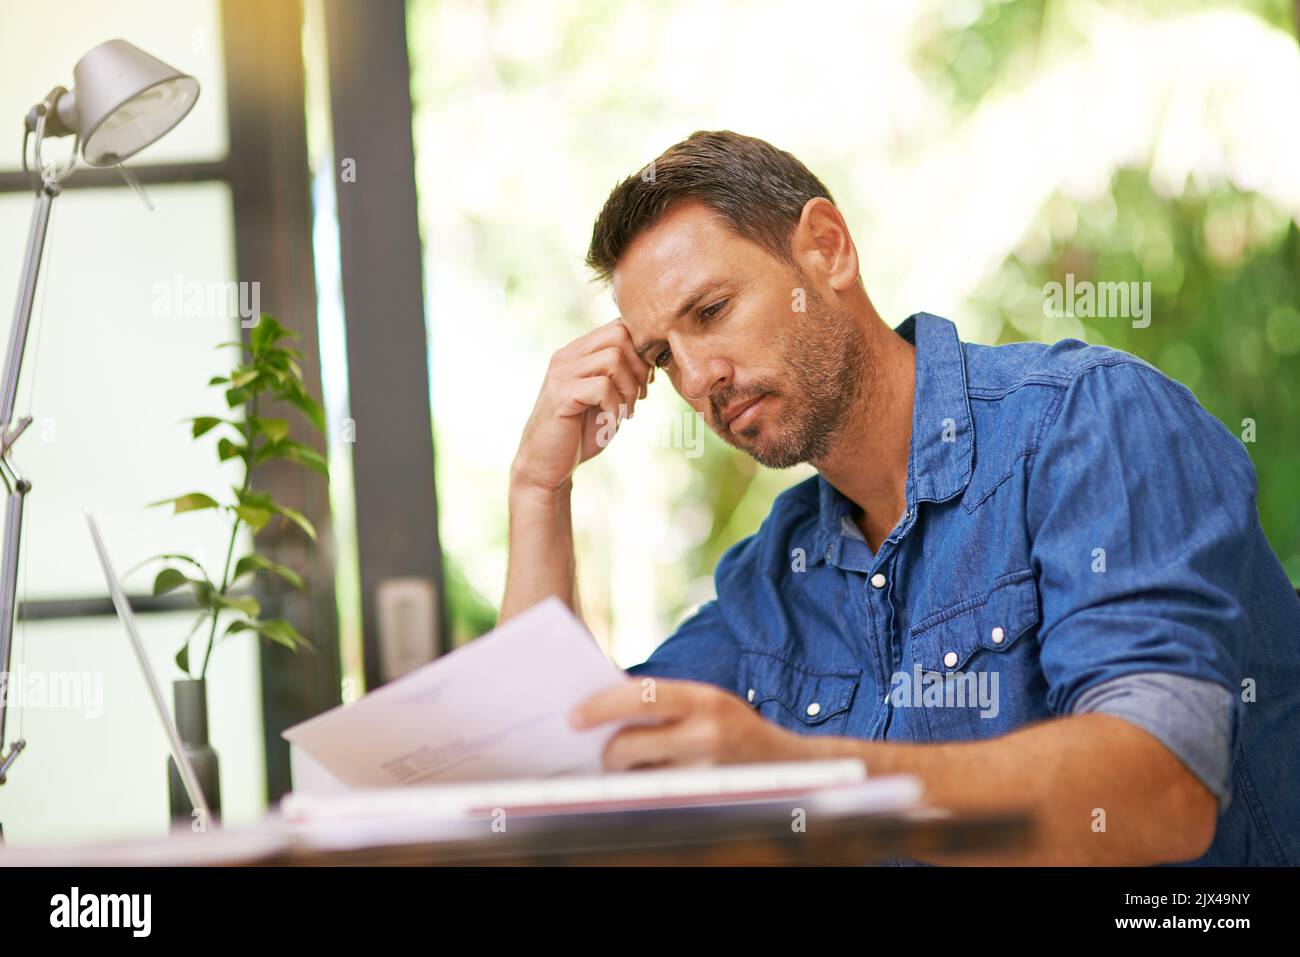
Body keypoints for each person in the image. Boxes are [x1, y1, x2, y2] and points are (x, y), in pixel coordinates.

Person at [500, 130, 1300, 865]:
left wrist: (801, 774)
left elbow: (1160, 790)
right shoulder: (774, 578)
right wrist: (540, 488)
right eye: (663, 356)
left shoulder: (1087, 423)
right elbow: (564, 772)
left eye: (712, 312)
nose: (700, 377)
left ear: (826, 249)